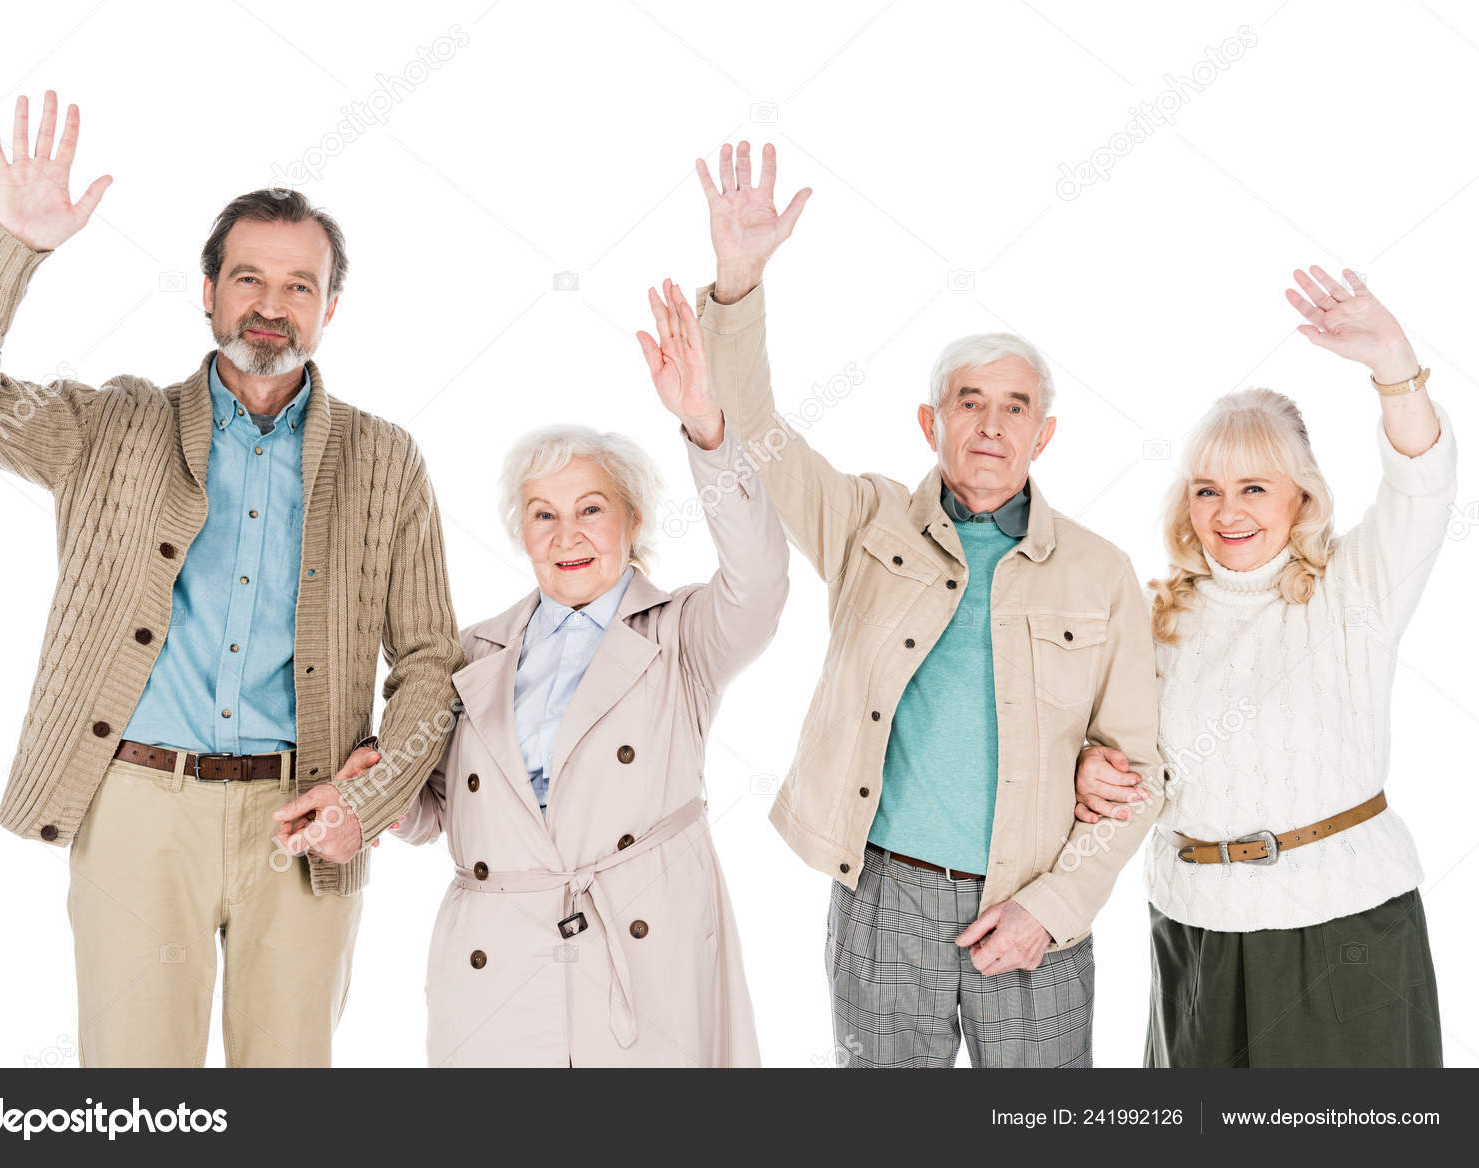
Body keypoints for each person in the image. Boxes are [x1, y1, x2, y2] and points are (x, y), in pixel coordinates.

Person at [0, 91, 464, 1066]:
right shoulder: (109, 427)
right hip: (134, 810)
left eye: (299, 287)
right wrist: (13, 246)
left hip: (302, 812)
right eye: (248, 278)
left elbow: (430, 659)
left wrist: (364, 804)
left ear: (329, 310)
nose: (271, 306)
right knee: (132, 1102)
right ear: (207, 294)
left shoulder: (385, 460)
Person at [689, 141, 1162, 1068]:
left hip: (1035, 903)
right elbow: (761, 432)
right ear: (929, 421)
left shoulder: (1102, 574)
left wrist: (1052, 910)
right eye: (968, 401)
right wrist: (737, 284)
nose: (991, 424)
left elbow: (1139, 779)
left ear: (1045, 432)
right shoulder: (863, 522)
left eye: (1015, 406)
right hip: (885, 901)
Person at [390, 279, 789, 1066]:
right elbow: (434, 815)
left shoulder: (683, 637)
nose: (567, 534)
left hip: (641, 958)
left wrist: (705, 427)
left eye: (591, 509)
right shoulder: (469, 655)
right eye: (544, 514)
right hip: (496, 969)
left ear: (632, 519)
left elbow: (762, 581)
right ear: (522, 532)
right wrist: (376, 791)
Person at [1075, 266, 1455, 1067]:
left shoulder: (1355, 590)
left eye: (1254, 486)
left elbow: (1422, 486)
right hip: (1197, 936)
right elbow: (1122, 761)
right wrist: (1089, 767)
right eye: (1207, 490)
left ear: (1300, 497)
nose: (1228, 511)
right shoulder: (1156, 619)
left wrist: (1392, 359)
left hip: (1343, 931)